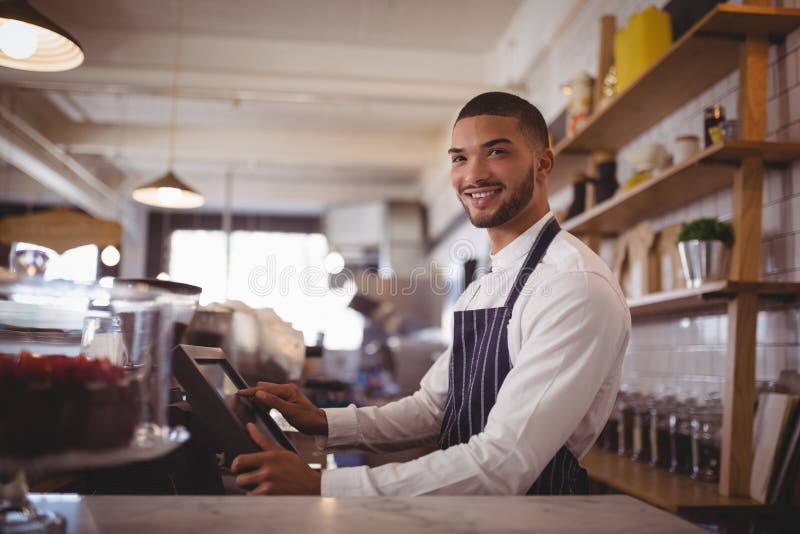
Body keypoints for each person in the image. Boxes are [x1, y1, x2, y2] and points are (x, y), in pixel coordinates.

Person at [231, 91, 631, 496]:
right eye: (459, 158)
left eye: (496, 152)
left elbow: (504, 463)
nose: (473, 174)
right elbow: (432, 409)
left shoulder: (574, 286)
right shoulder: (486, 286)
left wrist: (324, 486)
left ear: (543, 162)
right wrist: (323, 420)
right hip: (466, 517)